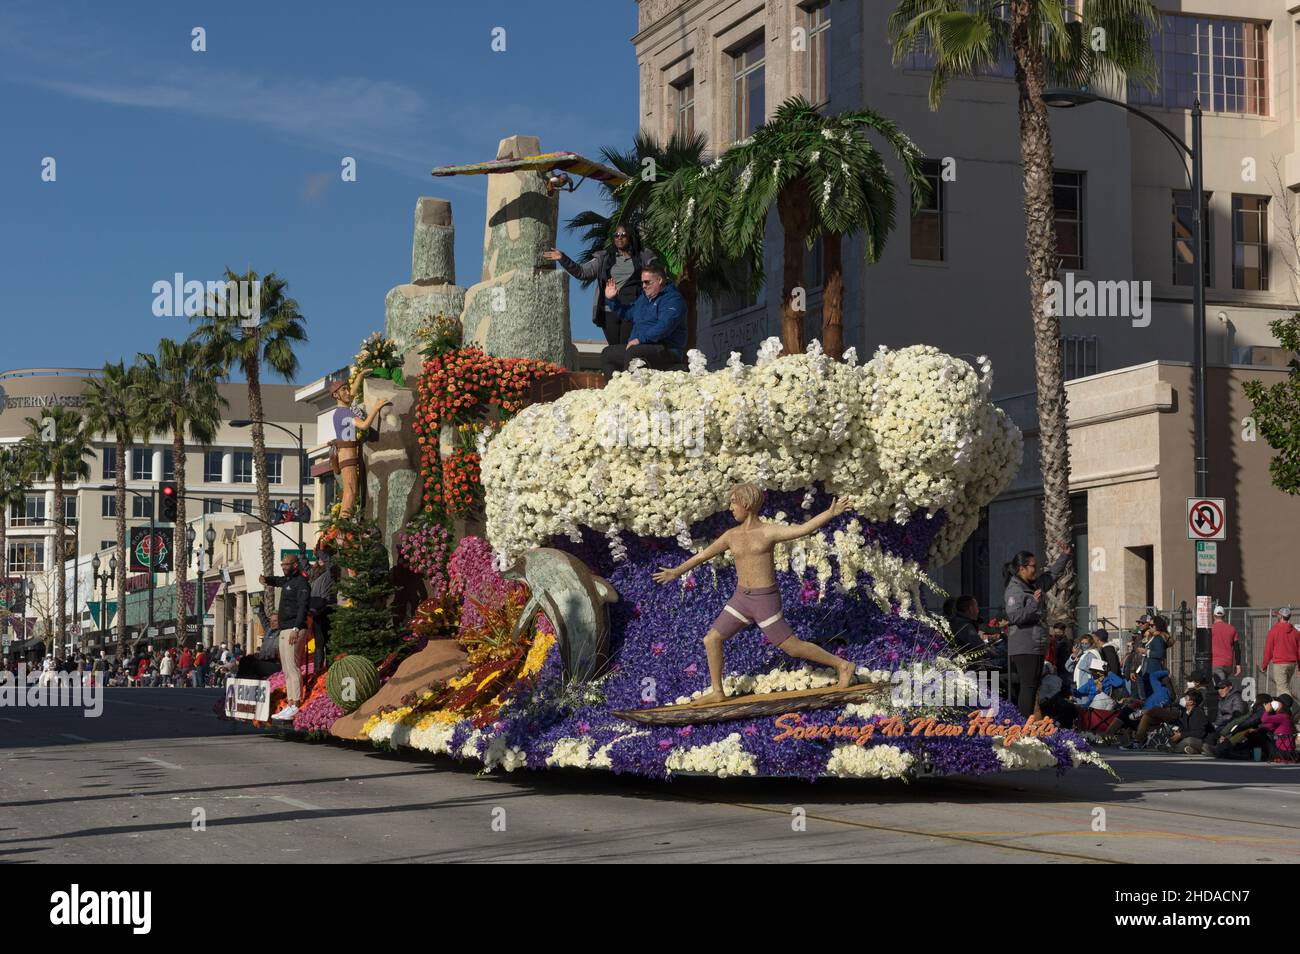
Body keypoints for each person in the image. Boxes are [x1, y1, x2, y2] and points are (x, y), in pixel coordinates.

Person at [652, 483, 856, 704]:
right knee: (712, 639)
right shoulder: (731, 536)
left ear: (746, 503)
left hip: (764, 600)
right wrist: (676, 572)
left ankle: (842, 665)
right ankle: (718, 692)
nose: (730, 508)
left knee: (792, 647)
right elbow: (702, 556)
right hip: (741, 598)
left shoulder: (768, 531)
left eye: (733, 502)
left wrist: (830, 513)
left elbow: (802, 529)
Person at [545, 227, 656, 350]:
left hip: (633, 309)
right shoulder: (605, 258)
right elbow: (582, 272)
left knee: (628, 348)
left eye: (623, 234)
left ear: (631, 237)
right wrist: (562, 258)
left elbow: (655, 278)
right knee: (614, 349)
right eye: (616, 235)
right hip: (609, 310)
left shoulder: (643, 257)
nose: (619, 237)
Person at [1003, 545, 1073, 718]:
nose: (1036, 569)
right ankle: (1023, 727)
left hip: (1036, 644)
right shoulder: (1015, 590)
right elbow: (1015, 617)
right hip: (1024, 645)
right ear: (1022, 568)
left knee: (1033, 685)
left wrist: (1064, 556)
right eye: (1033, 566)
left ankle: (1027, 724)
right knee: (1028, 686)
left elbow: (1051, 575)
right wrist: (1034, 604)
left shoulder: (1033, 585)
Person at [600, 261, 687, 375]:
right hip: (642, 346)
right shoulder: (643, 299)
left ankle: (630, 388)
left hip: (667, 349)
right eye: (642, 283)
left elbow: (665, 326)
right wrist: (612, 300)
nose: (644, 286)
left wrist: (640, 339)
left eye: (647, 282)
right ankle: (614, 389)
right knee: (608, 353)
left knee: (635, 353)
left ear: (659, 280)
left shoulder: (673, 299)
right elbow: (627, 314)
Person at [328, 380, 391, 516]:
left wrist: (360, 376)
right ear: (336, 395)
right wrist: (376, 407)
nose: (348, 392)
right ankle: (342, 530)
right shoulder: (344, 413)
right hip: (347, 455)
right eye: (344, 389)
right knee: (350, 491)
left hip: (347, 454)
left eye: (347, 389)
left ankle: (343, 528)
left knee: (350, 491)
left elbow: (352, 395)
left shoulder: (341, 411)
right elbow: (363, 425)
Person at [261, 554, 311, 720]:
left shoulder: (301, 583)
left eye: (286, 564)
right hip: (284, 629)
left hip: (294, 628)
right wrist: (266, 579)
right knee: (286, 669)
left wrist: (297, 628)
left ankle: (296, 703)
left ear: (295, 565)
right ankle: (290, 703)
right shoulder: (287, 581)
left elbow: (303, 607)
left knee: (293, 666)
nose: (283, 567)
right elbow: (277, 581)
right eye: (282, 564)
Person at [308, 547, 339, 675]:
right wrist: (303, 554)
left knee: (329, 642)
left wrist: (319, 552)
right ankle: (318, 671)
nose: (320, 560)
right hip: (316, 611)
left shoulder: (331, 572)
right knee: (319, 644)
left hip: (328, 610)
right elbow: (306, 568)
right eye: (318, 559)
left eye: (322, 558)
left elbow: (329, 563)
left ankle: (330, 670)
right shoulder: (315, 575)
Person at [1260, 607, 1300, 697]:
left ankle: (1290, 705)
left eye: (1278, 615)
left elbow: (1268, 649)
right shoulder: (1295, 632)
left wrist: (1264, 665)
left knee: (1283, 689)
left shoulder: (1274, 631)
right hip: (1292, 664)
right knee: (1281, 688)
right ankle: (1282, 710)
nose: (1277, 616)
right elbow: (1299, 650)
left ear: (1281, 616)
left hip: (1280, 663)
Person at [1166, 689, 1211, 755]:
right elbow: (1184, 728)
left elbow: (1200, 733)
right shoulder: (1185, 713)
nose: (1183, 699)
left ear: (1191, 702)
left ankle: (1173, 749)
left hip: (1203, 741)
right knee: (1173, 739)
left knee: (1188, 740)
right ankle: (1193, 750)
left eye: (1186, 698)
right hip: (1191, 739)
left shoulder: (1198, 713)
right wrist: (1178, 733)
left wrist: (1181, 735)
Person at [1259, 698, 1297, 762]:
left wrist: (1267, 711)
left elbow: (1264, 719)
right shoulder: (1284, 717)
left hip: (1282, 751)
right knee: (1265, 735)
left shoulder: (1282, 716)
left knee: (1265, 739)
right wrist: (1258, 728)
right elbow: (1270, 726)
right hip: (1287, 751)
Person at [1210, 605, 1241, 680]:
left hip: (1216, 663)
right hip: (1228, 664)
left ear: (1213, 616)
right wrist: (1238, 665)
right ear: (1224, 616)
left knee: (1221, 688)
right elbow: (1237, 648)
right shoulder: (1231, 628)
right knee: (1224, 686)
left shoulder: (1210, 629)